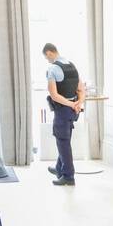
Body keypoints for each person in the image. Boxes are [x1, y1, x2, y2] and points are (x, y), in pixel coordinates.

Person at [42, 43, 85, 186]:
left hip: (63, 109)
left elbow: (54, 95)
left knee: (63, 143)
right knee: (65, 139)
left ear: (49, 53)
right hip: (73, 110)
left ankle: (68, 176)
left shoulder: (53, 69)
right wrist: (78, 103)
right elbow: (81, 90)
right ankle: (59, 168)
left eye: (46, 57)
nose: (47, 60)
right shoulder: (72, 66)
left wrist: (71, 104)